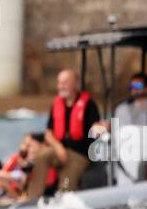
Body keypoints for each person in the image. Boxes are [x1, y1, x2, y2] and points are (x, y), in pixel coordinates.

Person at [29, 69, 101, 198]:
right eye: (59, 83)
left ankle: (64, 197)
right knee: (41, 155)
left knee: (66, 183)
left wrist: (101, 128)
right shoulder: (57, 103)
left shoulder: (89, 104)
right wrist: (58, 147)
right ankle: (33, 198)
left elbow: (96, 129)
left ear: (75, 84)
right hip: (59, 150)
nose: (61, 86)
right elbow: (48, 133)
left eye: (65, 83)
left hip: (79, 155)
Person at [101, 72, 147, 182]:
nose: (134, 90)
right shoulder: (121, 109)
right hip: (127, 155)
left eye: (138, 86)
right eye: (131, 87)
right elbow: (118, 135)